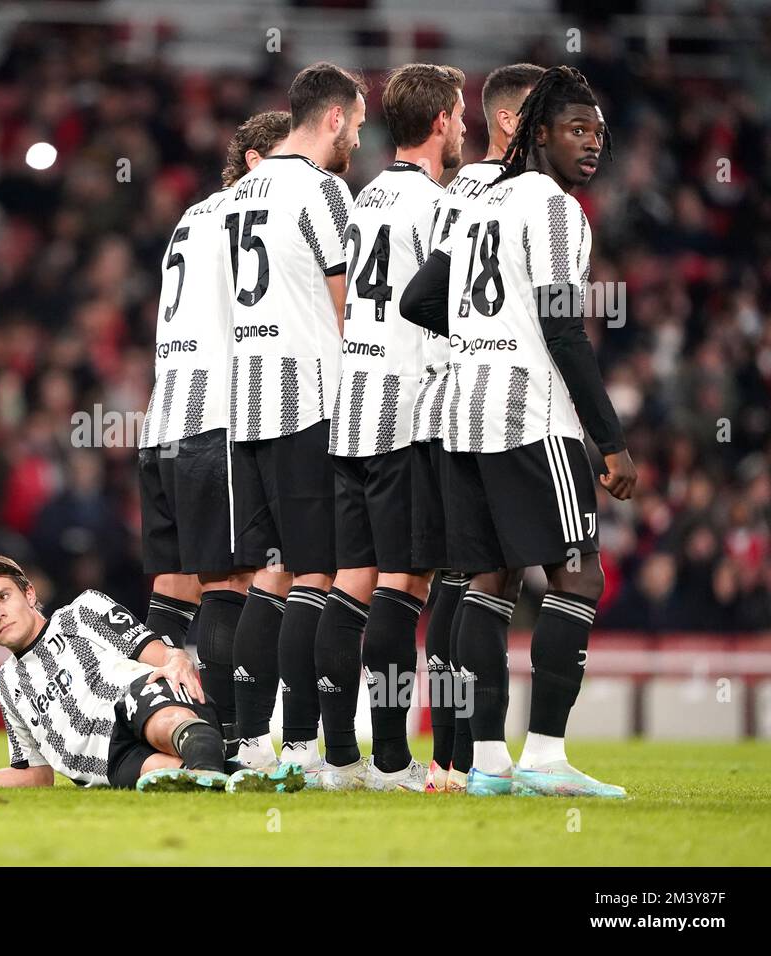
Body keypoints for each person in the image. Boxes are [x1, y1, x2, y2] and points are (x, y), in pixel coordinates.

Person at [401, 66, 636, 798]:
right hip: (532, 414)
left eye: (599, 133)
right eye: (576, 130)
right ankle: (544, 756)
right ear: (538, 132)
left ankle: (488, 766)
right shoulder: (558, 210)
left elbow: (420, 298)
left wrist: (482, 334)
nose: (592, 145)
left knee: (485, 583)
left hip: (462, 414)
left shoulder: (477, 202)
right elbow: (565, 333)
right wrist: (611, 440)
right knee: (578, 574)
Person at [317, 63, 466, 792]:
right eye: (461, 116)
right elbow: (445, 307)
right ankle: (391, 760)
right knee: (403, 587)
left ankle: (338, 757)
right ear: (440, 122)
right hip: (407, 413)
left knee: (350, 584)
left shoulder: (363, 195)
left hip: (352, 408)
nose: (464, 128)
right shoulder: (440, 207)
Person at [224, 63, 365, 775]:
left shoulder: (233, 198)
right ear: (333, 117)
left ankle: (251, 742)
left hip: (245, 409)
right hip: (308, 403)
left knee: (272, 575)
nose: (358, 142)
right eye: (358, 126)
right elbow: (349, 305)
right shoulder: (322, 189)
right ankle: (306, 749)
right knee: (318, 574)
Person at [138, 109, 290, 759]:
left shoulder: (192, 217)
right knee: (239, 580)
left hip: (164, 423)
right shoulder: (248, 219)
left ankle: (157, 724)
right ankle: (235, 738)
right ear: (255, 161)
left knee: (175, 590)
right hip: (216, 420)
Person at [411, 63, 544, 793]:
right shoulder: (508, 192)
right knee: (476, 582)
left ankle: (452, 759)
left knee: (458, 582)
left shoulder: (454, 190)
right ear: (513, 122)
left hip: (440, 402)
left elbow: (421, 296)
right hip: (481, 406)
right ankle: (463, 758)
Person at [0, 555, 305, 793]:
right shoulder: (6, 685)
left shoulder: (83, 610)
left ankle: (219, 769)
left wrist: (175, 658)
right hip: (109, 762)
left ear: (28, 594)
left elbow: (154, 650)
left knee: (169, 725)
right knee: (171, 777)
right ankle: (239, 776)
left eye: (3, 597)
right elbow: (35, 776)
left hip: (141, 699)